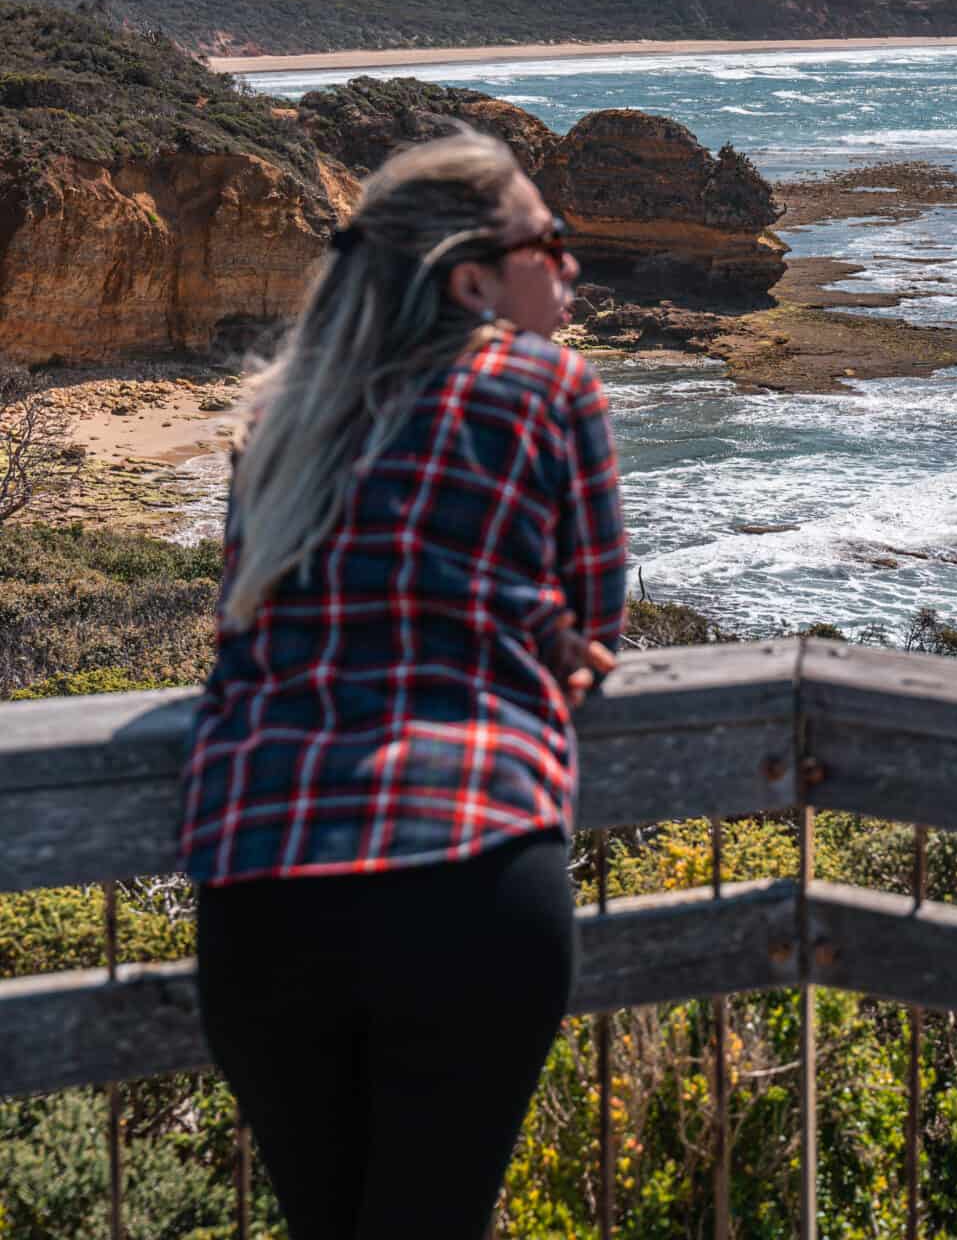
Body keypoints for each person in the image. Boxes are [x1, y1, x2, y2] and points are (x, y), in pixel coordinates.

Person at [178, 130, 628, 1239]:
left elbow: (246, 620)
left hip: (261, 879)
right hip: (469, 867)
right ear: (473, 277)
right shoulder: (548, 382)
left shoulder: (279, 418)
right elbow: (599, 621)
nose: (570, 268)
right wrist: (532, 623)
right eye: (549, 242)